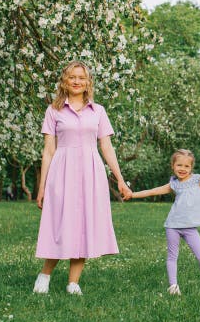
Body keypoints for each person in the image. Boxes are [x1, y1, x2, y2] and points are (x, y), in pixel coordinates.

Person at [33, 60, 132, 295]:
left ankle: (73, 282)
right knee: (60, 224)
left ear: (88, 83)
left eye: (81, 78)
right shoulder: (53, 111)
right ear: (64, 82)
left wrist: (119, 178)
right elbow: (48, 150)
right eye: (72, 77)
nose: (77, 82)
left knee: (84, 225)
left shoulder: (98, 111)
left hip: (91, 171)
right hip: (62, 170)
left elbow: (106, 146)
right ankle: (44, 276)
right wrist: (42, 186)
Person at [122, 149, 200, 296]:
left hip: (190, 228)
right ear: (173, 166)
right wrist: (132, 194)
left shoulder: (198, 180)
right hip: (173, 226)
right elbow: (153, 191)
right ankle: (173, 287)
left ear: (191, 168)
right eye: (179, 165)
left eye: (186, 166)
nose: (182, 169)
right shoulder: (173, 184)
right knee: (172, 256)